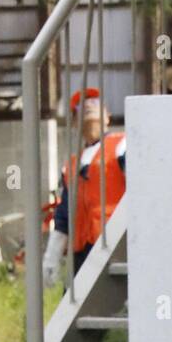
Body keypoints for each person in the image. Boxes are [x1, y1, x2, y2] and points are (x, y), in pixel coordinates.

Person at [43, 88, 126, 285]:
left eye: (95, 102)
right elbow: (63, 216)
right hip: (83, 254)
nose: (88, 105)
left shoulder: (122, 146)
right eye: (80, 106)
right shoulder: (71, 166)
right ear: (74, 123)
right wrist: (51, 258)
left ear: (107, 116)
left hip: (116, 245)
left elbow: (142, 192)